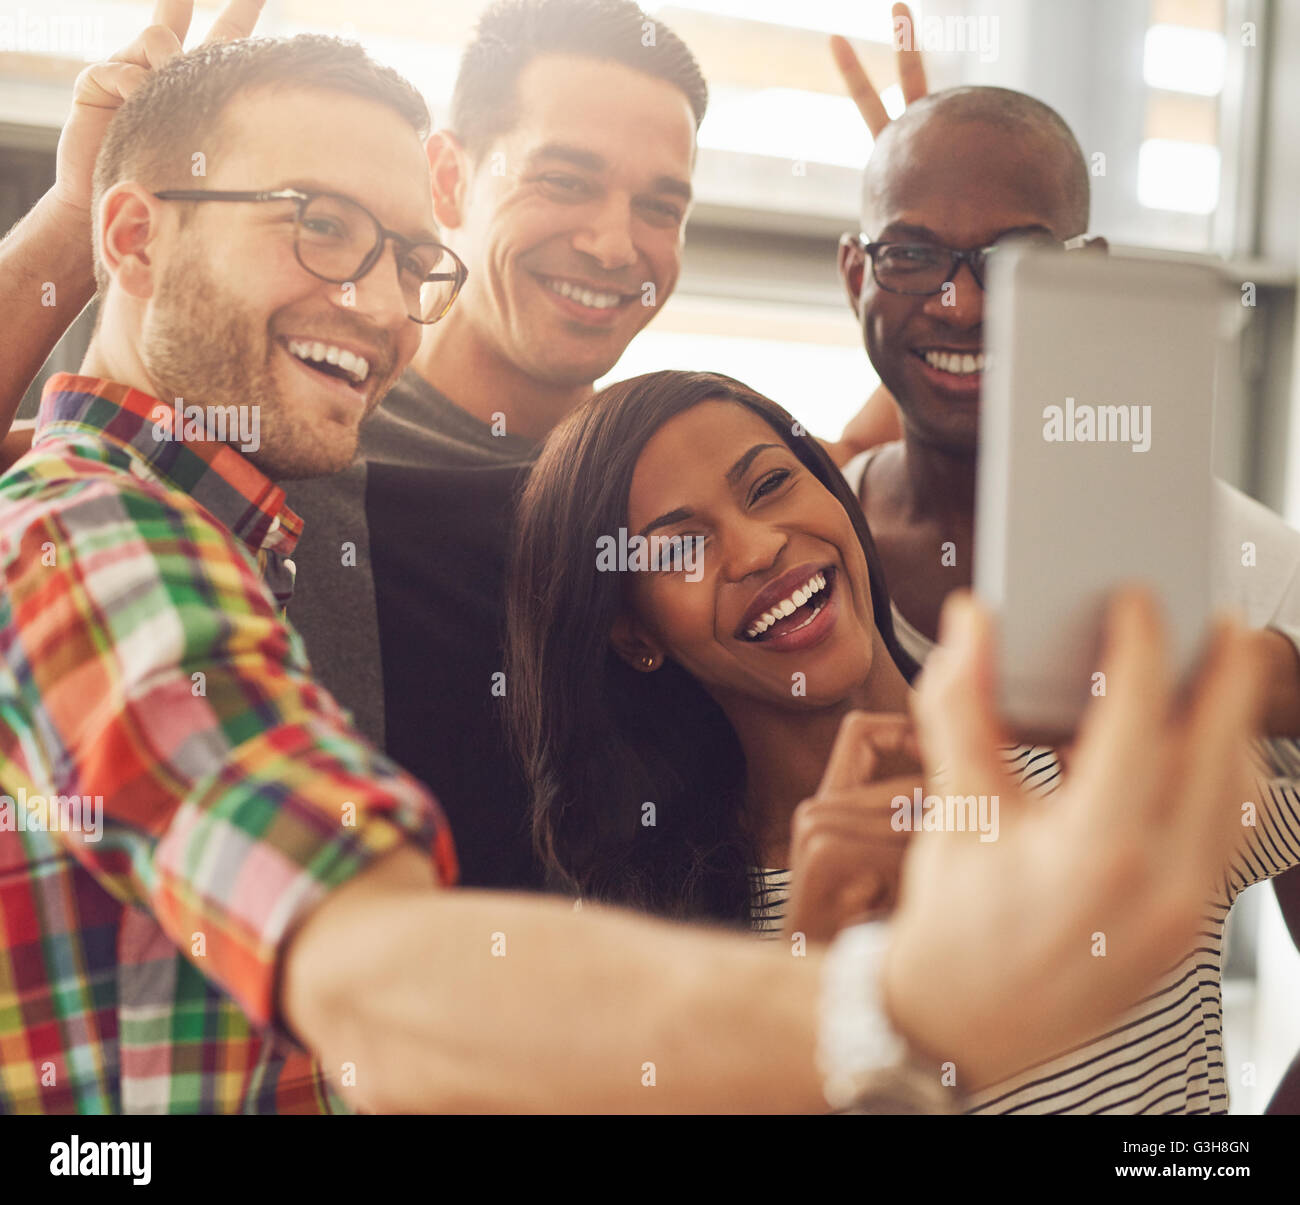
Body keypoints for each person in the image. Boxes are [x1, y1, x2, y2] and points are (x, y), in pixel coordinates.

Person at [0, 27, 1270, 1118]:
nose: (379, 306)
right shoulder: (185, 509)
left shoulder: (267, 495)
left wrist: (945, 287)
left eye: (662, 201)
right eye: (321, 229)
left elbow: (792, 499)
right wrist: (891, 1003)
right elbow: (365, 958)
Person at [505, 367, 1300, 1114]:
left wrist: (1261, 672)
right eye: (680, 547)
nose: (756, 548)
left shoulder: (1090, 756)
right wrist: (816, 982)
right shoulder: (656, 939)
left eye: (772, 483)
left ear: (840, 497)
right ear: (635, 634)